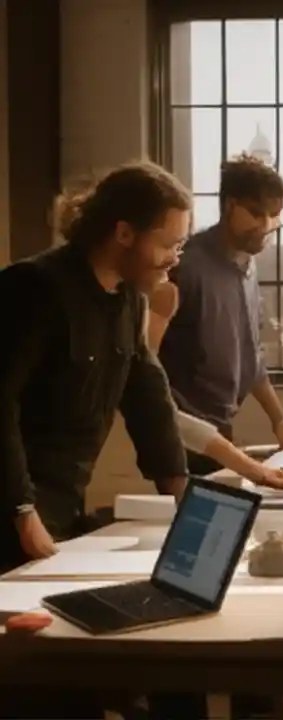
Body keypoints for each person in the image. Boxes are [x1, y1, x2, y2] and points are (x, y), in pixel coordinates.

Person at [0, 162, 190, 572]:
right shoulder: (33, 287)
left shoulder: (129, 298)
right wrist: (21, 510)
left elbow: (147, 396)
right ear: (123, 233)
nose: (173, 259)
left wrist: (181, 493)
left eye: (181, 246)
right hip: (14, 513)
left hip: (64, 508)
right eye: (168, 244)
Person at [158, 154, 283, 476]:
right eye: (256, 213)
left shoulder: (248, 267)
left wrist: (280, 423)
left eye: (274, 216)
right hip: (180, 434)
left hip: (221, 429)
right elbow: (146, 360)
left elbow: (252, 358)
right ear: (229, 205)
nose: (266, 226)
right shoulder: (185, 266)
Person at [145, 281, 283, 491]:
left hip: (205, 434)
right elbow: (153, 407)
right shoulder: (185, 277)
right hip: (185, 439)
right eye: (168, 247)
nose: (175, 260)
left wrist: (256, 468)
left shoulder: (245, 275)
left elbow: (157, 407)